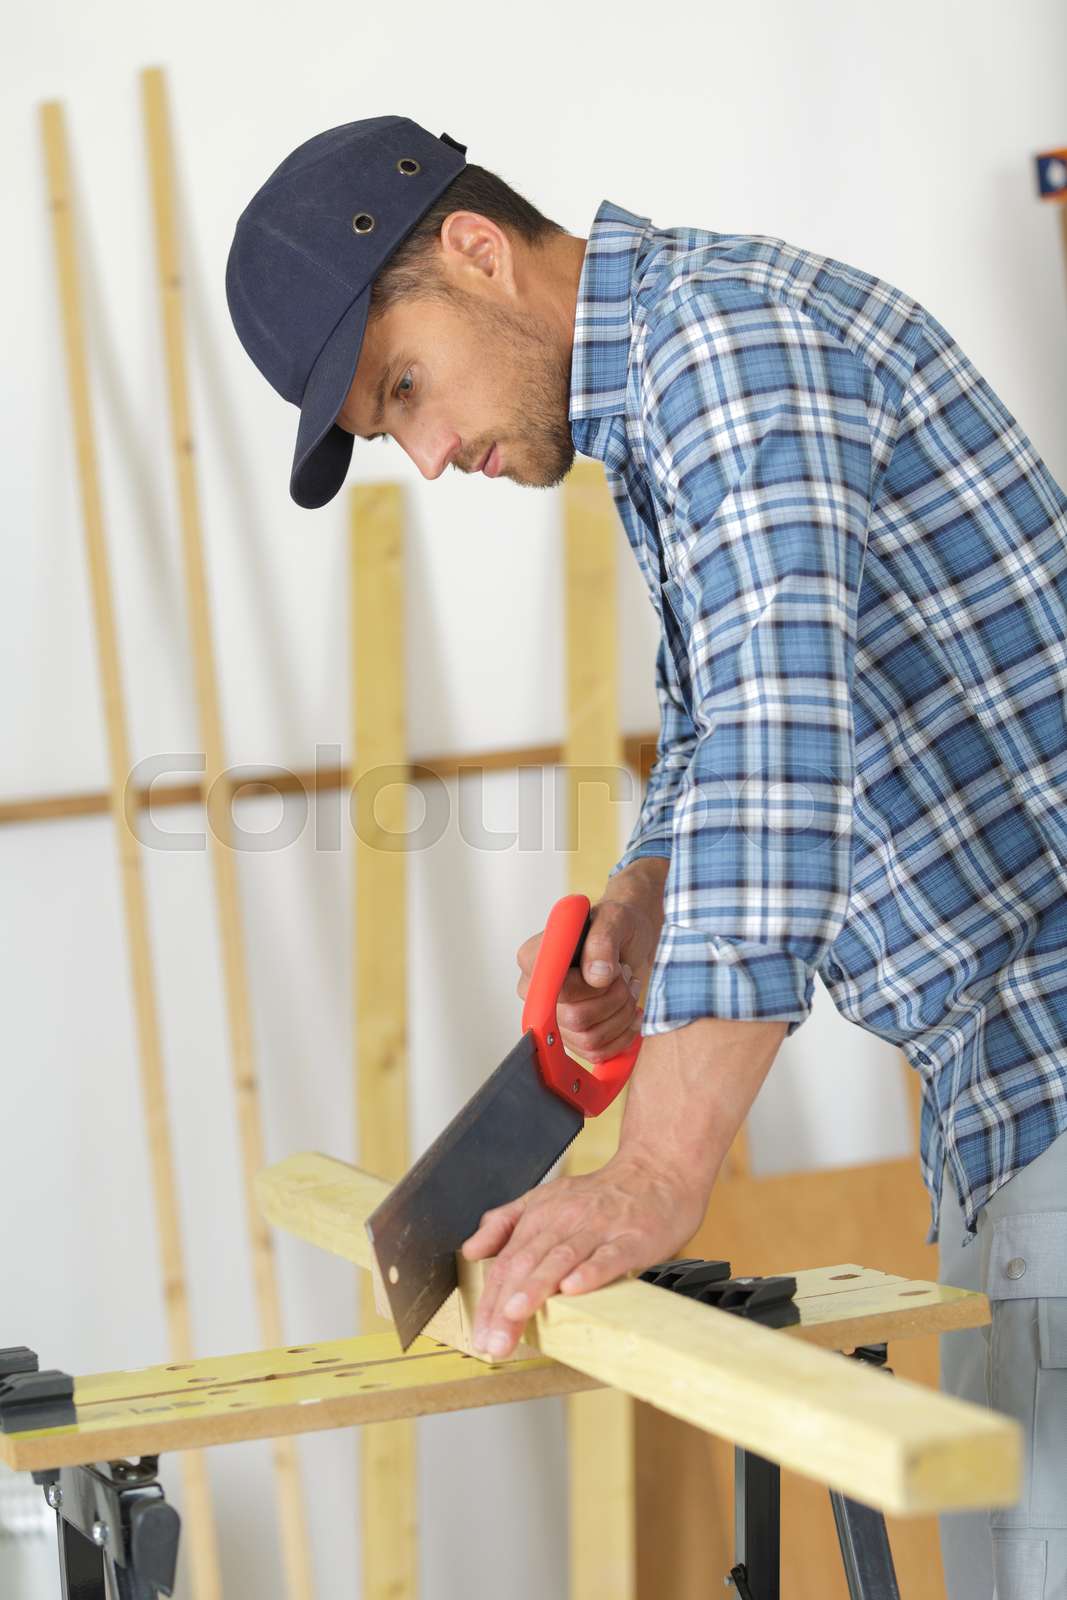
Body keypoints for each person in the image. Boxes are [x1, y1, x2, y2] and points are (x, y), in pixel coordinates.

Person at [227, 116, 1067, 1600]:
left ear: (477, 250)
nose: (425, 456)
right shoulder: (685, 382)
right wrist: (644, 899)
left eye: (405, 387)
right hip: (1004, 1107)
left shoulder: (729, 359)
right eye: (384, 430)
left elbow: (776, 745)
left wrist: (661, 1169)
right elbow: (721, 729)